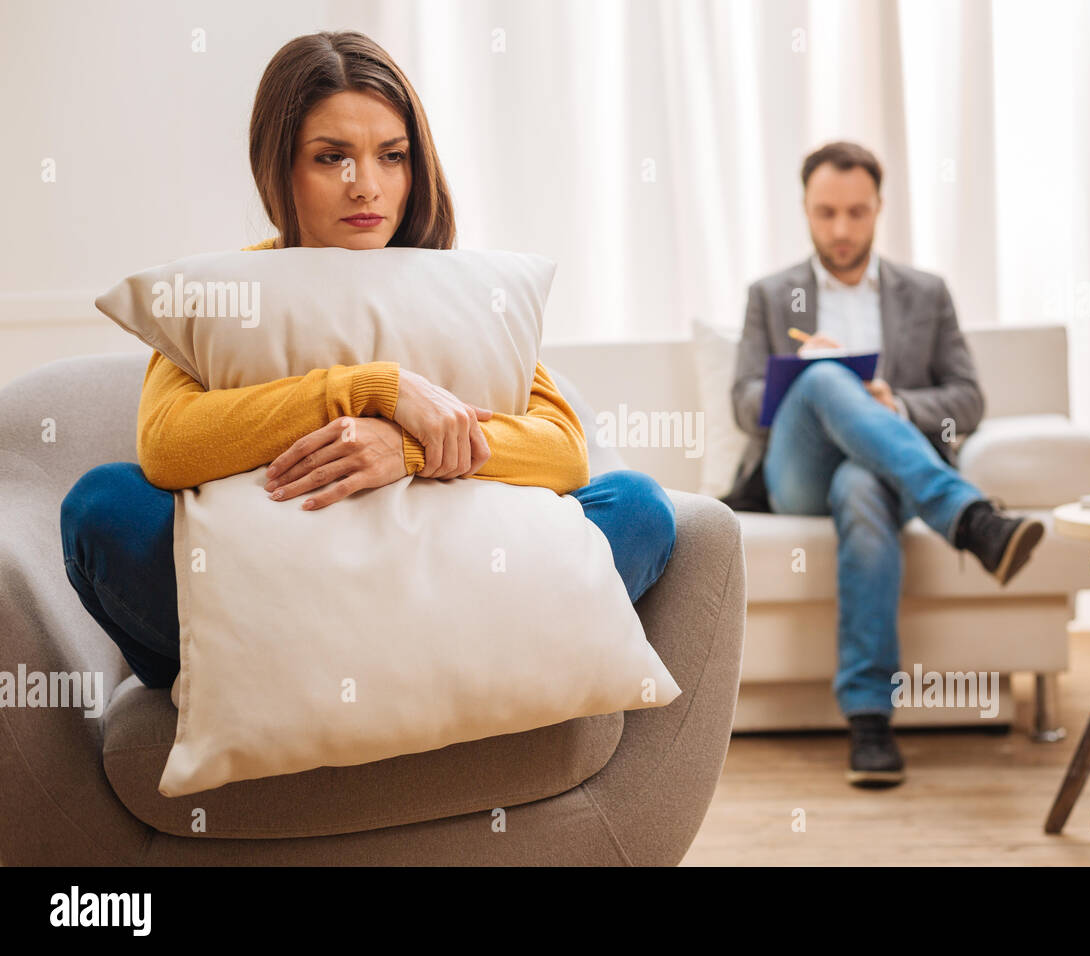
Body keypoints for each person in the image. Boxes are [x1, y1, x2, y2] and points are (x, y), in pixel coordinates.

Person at [60, 30, 676, 693]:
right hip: (277, 596)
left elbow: (562, 452)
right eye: (332, 158)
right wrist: (367, 388)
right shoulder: (223, 291)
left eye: (392, 156)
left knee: (638, 507)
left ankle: (390, 668)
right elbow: (167, 448)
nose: (367, 187)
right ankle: (376, 669)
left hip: (443, 581)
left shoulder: (461, 289)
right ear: (279, 166)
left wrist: (406, 448)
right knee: (105, 506)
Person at [722, 141, 1044, 789]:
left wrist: (893, 402)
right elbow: (744, 401)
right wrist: (810, 378)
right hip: (798, 474)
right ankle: (972, 519)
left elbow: (967, 398)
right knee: (820, 379)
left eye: (856, 213)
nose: (841, 230)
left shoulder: (926, 294)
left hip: (880, 471)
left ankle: (869, 721)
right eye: (826, 213)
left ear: (880, 209)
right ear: (805, 210)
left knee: (863, 484)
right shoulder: (771, 295)